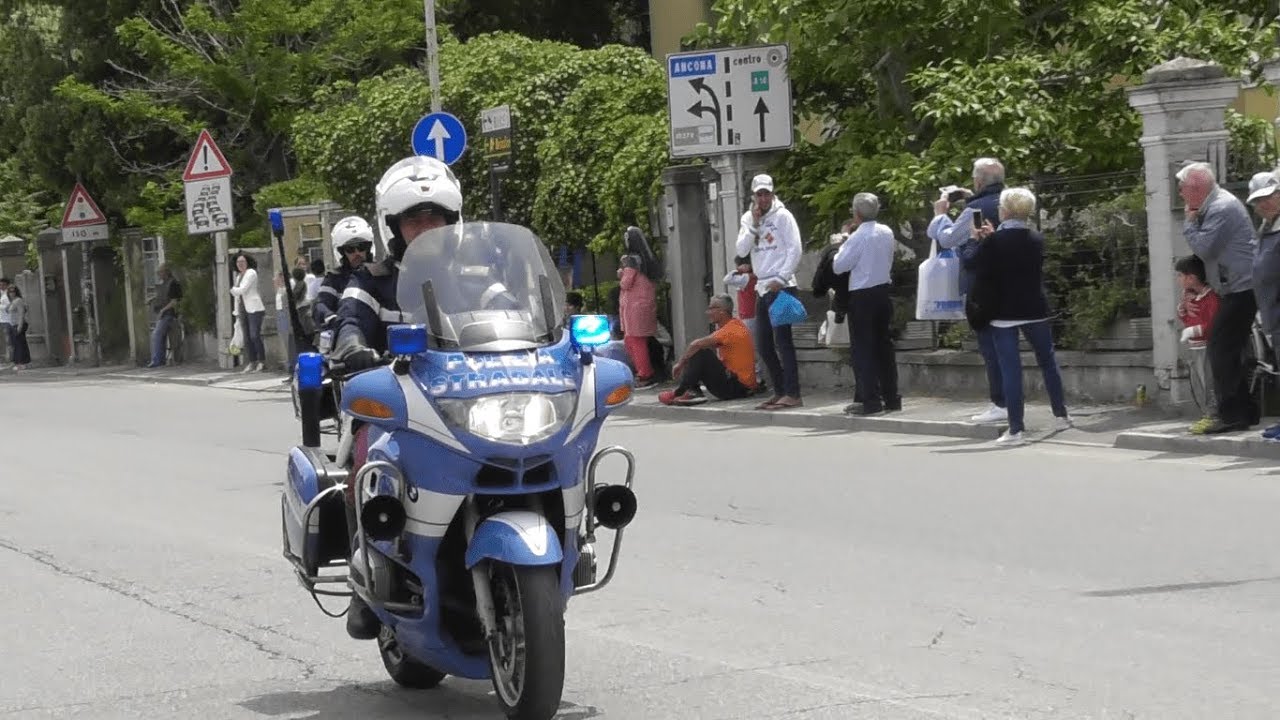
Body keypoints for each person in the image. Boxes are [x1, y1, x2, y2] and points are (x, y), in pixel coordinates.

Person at [333, 155, 464, 371]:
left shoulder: (475, 277)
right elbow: (351, 321)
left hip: (473, 387)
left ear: (450, 222)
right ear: (395, 228)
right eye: (413, 220)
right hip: (398, 389)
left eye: (434, 219)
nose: (425, 228)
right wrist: (353, 347)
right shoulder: (371, 280)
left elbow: (514, 315)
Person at [965, 187, 1071, 446]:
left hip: (1003, 311)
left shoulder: (993, 242)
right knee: (1047, 361)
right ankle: (1061, 415)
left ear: (1004, 210)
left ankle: (1016, 429)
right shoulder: (1036, 238)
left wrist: (975, 239)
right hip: (1034, 308)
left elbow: (971, 262)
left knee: (1010, 369)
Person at [1178, 162, 1259, 434]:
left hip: (1242, 286)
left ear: (1197, 189)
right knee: (1228, 349)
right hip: (1234, 286)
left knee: (1220, 348)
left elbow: (1203, 247)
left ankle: (1231, 414)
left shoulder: (1221, 207)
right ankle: (1244, 412)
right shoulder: (1213, 206)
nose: (1180, 194)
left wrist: (1189, 223)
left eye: (1183, 189)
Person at [928, 158, 1008, 424]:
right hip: (1010, 282)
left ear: (978, 181)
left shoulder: (975, 208)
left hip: (980, 284)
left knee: (989, 345)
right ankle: (1011, 400)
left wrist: (940, 213)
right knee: (1007, 345)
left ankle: (1000, 403)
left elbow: (948, 238)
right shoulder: (1010, 201)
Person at [735, 173, 803, 411]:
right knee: (763, 344)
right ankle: (780, 389)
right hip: (762, 286)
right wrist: (753, 225)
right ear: (753, 196)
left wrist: (782, 277)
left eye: (766, 194)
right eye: (759, 194)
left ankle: (793, 393)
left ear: (772, 194)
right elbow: (741, 248)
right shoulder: (748, 218)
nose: (763, 199)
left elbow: (794, 249)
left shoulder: (783, 216)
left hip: (780, 284)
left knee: (783, 341)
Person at [833, 193, 900, 415]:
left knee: (863, 349)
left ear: (856, 213)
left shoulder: (857, 237)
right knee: (884, 346)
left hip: (862, 294)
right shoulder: (886, 231)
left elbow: (839, 266)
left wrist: (842, 242)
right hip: (882, 291)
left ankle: (870, 401)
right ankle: (891, 398)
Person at [658, 294, 757, 406]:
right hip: (737, 384)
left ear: (722, 311)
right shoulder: (733, 325)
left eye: (711, 308)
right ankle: (693, 391)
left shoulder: (731, 329)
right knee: (696, 351)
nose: (707, 312)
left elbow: (696, 344)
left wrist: (680, 363)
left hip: (737, 387)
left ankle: (681, 391)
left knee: (700, 351)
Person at [1246, 171, 1280, 438]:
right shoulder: (1266, 228)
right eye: (1257, 202)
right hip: (1271, 312)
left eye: (1267, 198)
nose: (1261, 205)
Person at [1174, 255, 1219, 419]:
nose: (1178, 279)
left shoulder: (1211, 298)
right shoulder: (1190, 297)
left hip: (1206, 347)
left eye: (1180, 275)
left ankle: (1213, 415)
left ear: (1191, 278)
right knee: (1197, 383)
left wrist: (1192, 331)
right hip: (1194, 347)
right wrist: (1182, 310)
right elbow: (1188, 319)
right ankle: (1206, 414)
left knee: (1209, 382)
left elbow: (1213, 325)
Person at [314, 216, 375, 332]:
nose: (357, 253)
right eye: (350, 249)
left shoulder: (381, 274)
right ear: (342, 252)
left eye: (362, 247)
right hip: (347, 335)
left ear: (369, 248)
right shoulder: (334, 278)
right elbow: (321, 304)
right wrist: (330, 317)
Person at [617, 227, 660, 387]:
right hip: (644, 304)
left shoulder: (631, 260)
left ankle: (644, 374)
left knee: (635, 341)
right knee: (637, 340)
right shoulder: (647, 259)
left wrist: (621, 273)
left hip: (634, 307)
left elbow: (626, 283)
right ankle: (645, 372)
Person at [230, 253, 267, 373]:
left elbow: (243, 289)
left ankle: (262, 361)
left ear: (247, 263)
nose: (240, 264)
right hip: (242, 309)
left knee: (254, 335)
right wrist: (236, 312)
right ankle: (252, 362)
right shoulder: (238, 276)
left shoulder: (251, 273)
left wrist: (232, 290)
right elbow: (238, 296)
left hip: (254, 308)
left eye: (242, 262)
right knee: (246, 338)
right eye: (238, 262)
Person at [147, 264, 183, 368]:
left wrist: (162, 310)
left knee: (156, 335)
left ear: (166, 272)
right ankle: (161, 360)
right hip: (165, 314)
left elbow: (174, 301)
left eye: (160, 272)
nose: (158, 275)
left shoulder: (172, 284)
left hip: (169, 314)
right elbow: (163, 295)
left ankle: (158, 360)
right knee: (162, 336)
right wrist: (152, 298)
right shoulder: (165, 283)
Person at [6, 285, 29, 370]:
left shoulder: (19, 300)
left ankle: (22, 363)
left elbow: (21, 313)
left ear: (16, 292)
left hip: (18, 324)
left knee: (20, 344)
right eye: (10, 292)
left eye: (13, 291)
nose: (11, 293)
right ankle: (16, 362)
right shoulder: (12, 301)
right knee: (15, 344)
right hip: (12, 325)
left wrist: (20, 326)